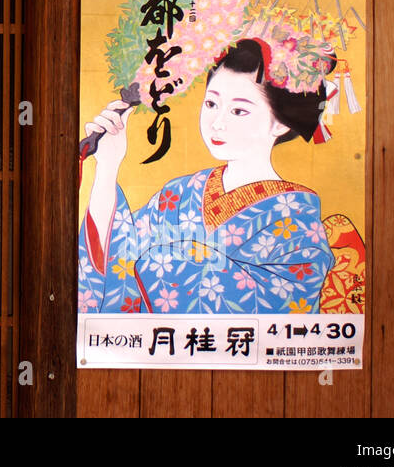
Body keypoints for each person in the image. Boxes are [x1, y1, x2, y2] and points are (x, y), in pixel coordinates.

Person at [79, 38, 336, 315]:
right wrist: (108, 166)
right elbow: (119, 259)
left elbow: (279, 307)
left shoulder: (297, 219)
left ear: (280, 123)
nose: (217, 123)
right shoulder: (178, 194)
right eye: (211, 104)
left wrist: (162, 259)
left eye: (238, 110)